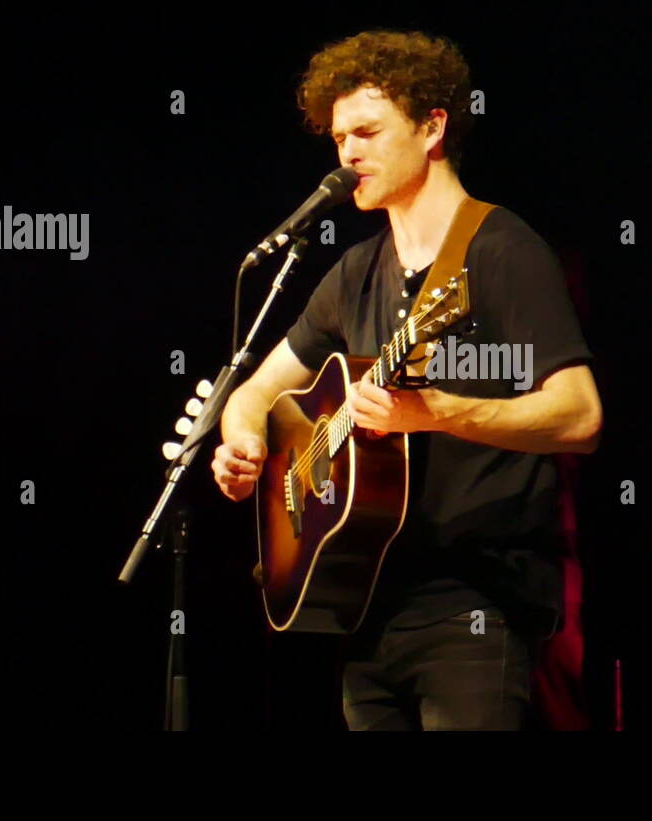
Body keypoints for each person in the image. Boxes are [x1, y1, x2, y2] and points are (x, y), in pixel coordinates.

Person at [212, 30, 602, 731]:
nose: (347, 154)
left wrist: (439, 410)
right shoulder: (355, 272)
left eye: (366, 131)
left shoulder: (502, 250)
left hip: (476, 603)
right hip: (367, 602)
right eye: (338, 138)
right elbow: (251, 394)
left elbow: (580, 415)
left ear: (432, 127)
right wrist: (241, 442)